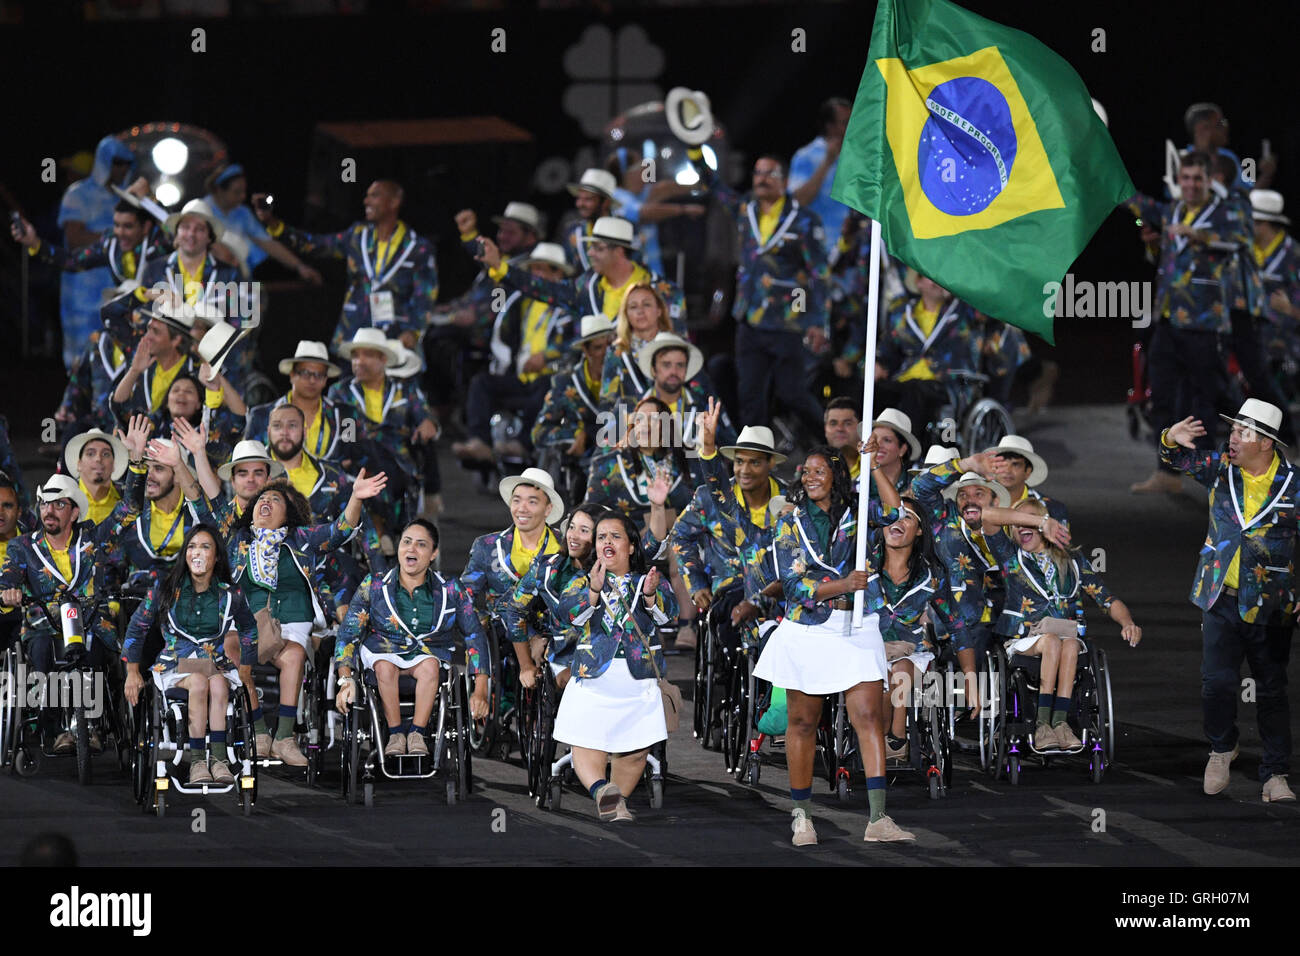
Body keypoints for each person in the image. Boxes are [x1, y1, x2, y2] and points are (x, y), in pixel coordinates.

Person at [757, 442, 915, 844]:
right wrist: (840, 584)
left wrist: (876, 465)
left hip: (857, 624)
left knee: (868, 717)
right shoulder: (789, 522)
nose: (809, 477)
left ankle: (878, 818)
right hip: (809, 628)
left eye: (818, 471)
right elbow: (791, 585)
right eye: (805, 472)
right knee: (803, 722)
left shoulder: (858, 513)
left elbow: (896, 512)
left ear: (837, 475)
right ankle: (802, 817)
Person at [1160, 402, 1296, 802]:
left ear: (1266, 443)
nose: (1232, 438)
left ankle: (1275, 774)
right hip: (1219, 596)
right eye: (1233, 430)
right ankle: (1222, 747)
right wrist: (1171, 435)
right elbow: (1172, 456)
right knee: (1215, 685)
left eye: (1242, 433)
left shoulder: (1295, 485)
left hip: (1271, 604)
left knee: (1271, 689)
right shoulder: (1221, 469)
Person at [224, 470, 386, 765]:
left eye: (275, 499)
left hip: (291, 625)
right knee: (230, 649)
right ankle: (259, 731)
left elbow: (341, 529)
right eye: (262, 497)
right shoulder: (238, 542)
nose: (266, 501)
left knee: (295, 656)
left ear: (288, 516)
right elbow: (206, 513)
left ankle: (285, 737)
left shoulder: (301, 539)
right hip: (248, 625)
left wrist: (356, 497)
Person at [1128, 151, 1253, 495]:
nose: (1191, 185)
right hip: (1167, 322)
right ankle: (1166, 473)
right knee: (1162, 399)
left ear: (1209, 180)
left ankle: (1216, 476)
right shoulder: (1172, 212)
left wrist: (1201, 237)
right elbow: (1137, 205)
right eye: (1185, 178)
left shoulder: (1224, 213)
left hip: (1204, 324)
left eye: (1197, 178)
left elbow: (1243, 241)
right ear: (1179, 180)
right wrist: (1153, 246)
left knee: (1206, 402)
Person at [910, 455, 1070, 719]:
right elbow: (920, 487)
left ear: (994, 500)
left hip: (1012, 619)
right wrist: (967, 464)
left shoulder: (1012, 528)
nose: (969, 500)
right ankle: (961, 700)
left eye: (979, 493)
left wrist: (1041, 523)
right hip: (960, 619)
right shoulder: (944, 521)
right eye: (963, 495)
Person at [686, 147, 829, 436]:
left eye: (770, 174)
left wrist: (817, 321)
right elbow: (714, 186)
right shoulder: (745, 209)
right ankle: (756, 462)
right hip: (749, 319)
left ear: (785, 181)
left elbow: (820, 274)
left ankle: (837, 445)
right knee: (750, 396)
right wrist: (694, 150)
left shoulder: (803, 220)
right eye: (758, 173)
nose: (762, 179)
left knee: (793, 394)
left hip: (788, 322)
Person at [984, 497, 1141, 751]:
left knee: (1068, 645)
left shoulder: (1073, 560)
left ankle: (1059, 723)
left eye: (1032, 522)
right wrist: (1038, 521)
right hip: (1025, 639)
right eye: (1018, 523)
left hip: (1065, 639)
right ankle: (1041, 724)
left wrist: (1127, 622)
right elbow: (988, 516)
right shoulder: (1010, 556)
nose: (1024, 528)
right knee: (1052, 642)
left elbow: (1106, 598)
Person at [555, 511, 677, 821]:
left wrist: (650, 597)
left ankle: (616, 802)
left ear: (632, 547)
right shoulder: (580, 581)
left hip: (638, 681)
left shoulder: (647, 580)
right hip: (592, 679)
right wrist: (593, 591)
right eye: (601, 537)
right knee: (586, 745)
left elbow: (669, 615)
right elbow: (568, 615)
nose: (607, 541)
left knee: (636, 752)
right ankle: (602, 792)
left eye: (615, 536)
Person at [0, 475, 136, 753]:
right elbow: (8, 576)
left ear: (74, 512)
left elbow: (130, 509)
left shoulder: (92, 539)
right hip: (44, 624)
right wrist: (8, 591)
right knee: (39, 652)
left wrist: (136, 465)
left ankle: (92, 723)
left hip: (89, 621)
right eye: (44, 504)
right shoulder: (23, 546)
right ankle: (53, 726)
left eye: (58, 504)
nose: (49, 510)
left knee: (97, 652)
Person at [335, 519, 490, 756]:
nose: (411, 549)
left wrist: (479, 689)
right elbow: (348, 633)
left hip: (428, 654)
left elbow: (473, 634)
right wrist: (345, 680)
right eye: (406, 542)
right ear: (398, 548)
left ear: (433, 553)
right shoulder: (374, 585)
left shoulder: (450, 588)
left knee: (429, 666)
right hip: (383, 650)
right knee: (385, 667)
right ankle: (395, 734)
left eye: (421, 544)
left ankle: (418, 733)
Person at [123, 524, 258, 785]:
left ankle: (219, 759)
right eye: (192, 546)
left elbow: (249, 627)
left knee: (217, 682)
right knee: (198, 680)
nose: (197, 552)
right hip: (175, 665)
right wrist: (132, 671)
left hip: (214, 666)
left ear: (216, 556)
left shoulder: (230, 594)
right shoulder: (165, 588)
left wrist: (247, 667)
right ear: (185, 553)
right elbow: (136, 627)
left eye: (205, 547)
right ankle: (197, 761)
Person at [255, 179, 438, 352]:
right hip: (354, 336)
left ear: (394, 202)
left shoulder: (417, 248)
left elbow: (426, 294)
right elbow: (314, 245)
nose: (366, 201)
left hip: (394, 340)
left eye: (374, 195)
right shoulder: (357, 236)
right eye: (367, 195)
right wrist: (274, 225)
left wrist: (414, 331)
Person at [677, 404, 788, 659]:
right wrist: (695, 583)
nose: (744, 470)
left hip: (781, 590)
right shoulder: (710, 499)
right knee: (733, 610)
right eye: (739, 462)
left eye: (754, 462)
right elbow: (680, 535)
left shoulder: (790, 499)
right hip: (730, 588)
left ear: (771, 462)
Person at [451, 242, 576, 463]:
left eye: (541, 269)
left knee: (547, 386)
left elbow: (574, 340)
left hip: (551, 377)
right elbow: (498, 321)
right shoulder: (518, 301)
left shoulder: (568, 304)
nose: (534, 274)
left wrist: (546, 356)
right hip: (518, 375)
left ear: (557, 273)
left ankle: (522, 444)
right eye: (533, 269)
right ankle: (479, 442)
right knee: (481, 382)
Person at [477, 216, 686, 332]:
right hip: (592, 394)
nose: (590, 254)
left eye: (598, 248)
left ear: (619, 252)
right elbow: (545, 289)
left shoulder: (665, 293)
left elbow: (677, 355)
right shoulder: (587, 287)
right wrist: (500, 267)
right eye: (591, 247)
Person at [328, 328, 440, 542]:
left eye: (367, 355)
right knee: (369, 453)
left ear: (383, 359)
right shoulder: (341, 392)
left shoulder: (404, 389)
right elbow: (346, 434)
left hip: (400, 462)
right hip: (357, 462)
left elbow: (425, 417)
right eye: (355, 355)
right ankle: (383, 528)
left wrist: (427, 423)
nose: (359, 361)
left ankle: (381, 529)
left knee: (383, 462)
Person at [461, 468, 565, 690]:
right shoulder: (487, 547)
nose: (522, 508)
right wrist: (478, 621)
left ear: (548, 509)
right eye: (516, 500)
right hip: (502, 635)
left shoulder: (565, 546)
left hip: (554, 632)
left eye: (532, 502)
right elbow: (463, 598)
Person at [502, 503, 607, 691]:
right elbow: (515, 609)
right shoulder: (545, 568)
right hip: (563, 658)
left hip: (606, 658)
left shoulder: (613, 572)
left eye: (584, 530)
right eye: (572, 527)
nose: (573, 535)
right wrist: (526, 664)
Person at [52, 134, 137, 369]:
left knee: (116, 360)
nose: (122, 169)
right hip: (82, 293)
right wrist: (116, 238)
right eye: (117, 162)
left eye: (127, 163)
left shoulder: (128, 197)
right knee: (81, 360)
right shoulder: (77, 194)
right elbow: (74, 239)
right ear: (104, 161)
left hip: (118, 290)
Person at [874, 272, 982, 440]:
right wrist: (879, 363)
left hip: (949, 382)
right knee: (876, 391)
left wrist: (955, 291)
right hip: (905, 379)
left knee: (914, 391)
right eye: (930, 276)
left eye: (940, 276)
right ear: (918, 283)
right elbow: (888, 346)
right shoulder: (902, 312)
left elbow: (986, 309)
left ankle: (908, 449)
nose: (937, 281)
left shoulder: (963, 310)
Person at [201, 163, 321, 281]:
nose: (243, 196)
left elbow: (267, 243)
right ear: (219, 190)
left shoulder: (243, 213)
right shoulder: (200, 210)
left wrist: (300, 267)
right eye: (237, 192)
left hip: (238, 280)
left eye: (244, 191)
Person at [585, 396, 694, 521]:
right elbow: (590, 514)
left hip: (682, 536)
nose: (644, 424)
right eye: (639, 419)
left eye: (652, 418)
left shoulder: (687, 460)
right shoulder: (608, 463)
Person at [532, 315, 616, 471]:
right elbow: (539, 432)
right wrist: (575, 435)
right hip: (581, 469)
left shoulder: (627, 378)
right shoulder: (567, 383)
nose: (607, 354)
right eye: (598, 347)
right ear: (586, 350)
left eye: (611, 346)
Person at [244, 341, 347, 463]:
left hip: (326, 481)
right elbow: (249, 460)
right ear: (292, 375)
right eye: (305, 373)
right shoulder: (261, 415)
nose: (312, 380)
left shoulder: (345, 416)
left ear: (325, 379)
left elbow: (354, 455)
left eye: (319, 375)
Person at [1249, 191, 1300, 395]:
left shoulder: (1294, 256)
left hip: (1286, 345)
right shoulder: (1246, 253)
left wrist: (1290, 310)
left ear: (1263, 223)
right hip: (1250, 337)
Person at [598, 283, 679, 410]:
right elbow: (607, 405)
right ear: (626, 315)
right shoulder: (617, 353)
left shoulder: (677, 347)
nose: (640, 311)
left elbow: (700, 393)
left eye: (646, 304)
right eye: (633, 307)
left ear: (659, 310)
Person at [788, 96, 852, 255]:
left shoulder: (857, 157)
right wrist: (827, 162)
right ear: (830, 126)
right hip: (817, 249)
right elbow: (798, 201)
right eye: (845, 123)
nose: (852, 127)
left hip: (850, 253)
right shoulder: (806, 156)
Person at [987, 435, 1070, 525]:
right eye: (1002, 464)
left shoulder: (1052, 509)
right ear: (994, 468)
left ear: (1028, 471)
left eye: (1015, 465)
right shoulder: (978, 500)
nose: (1007, 470)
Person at [63, 428, 129, 530]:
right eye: (90, 453)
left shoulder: (127, 498)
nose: (98, 459)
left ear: (114, 465)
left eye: (106, 454)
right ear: (79, 464)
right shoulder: (61, 500)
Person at [561, 169, 617, 271]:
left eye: (588, 199)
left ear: (606, 202)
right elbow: (567, 270)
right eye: (579, 198)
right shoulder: (572, 231)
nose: (580, 204)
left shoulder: (622, 230)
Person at [867, 408, 920, 503]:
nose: (877, 445)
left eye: (887, 440)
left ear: (902, 450)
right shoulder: (859, 483)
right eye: (874, 439)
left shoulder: (917, 487)